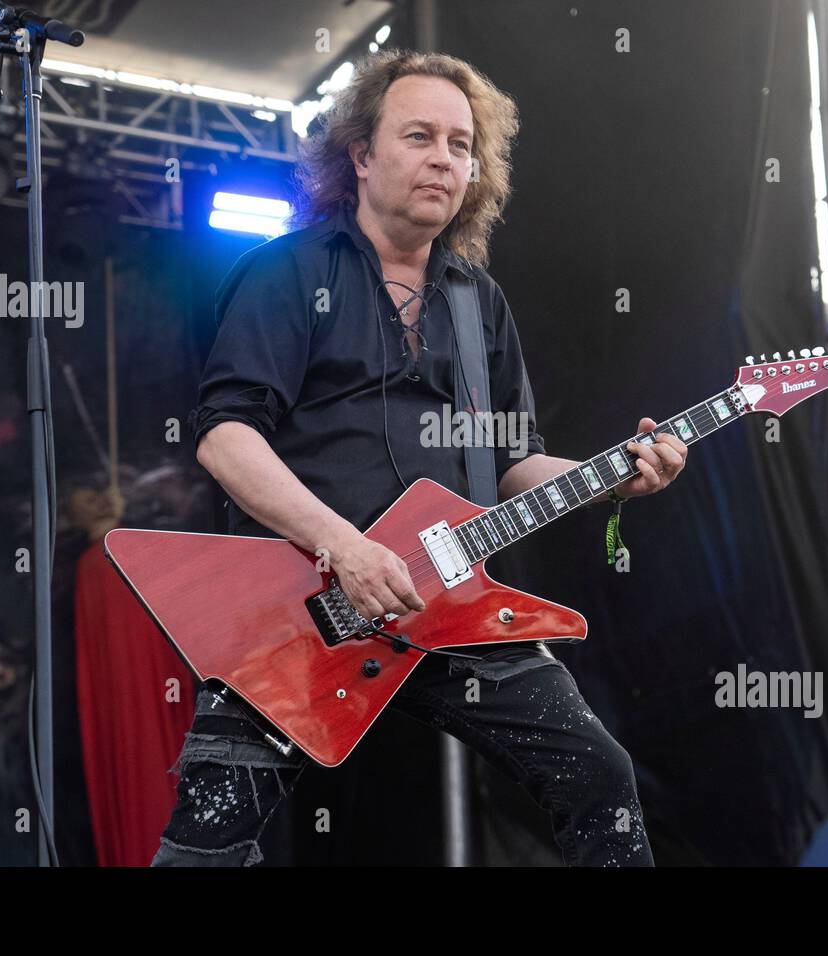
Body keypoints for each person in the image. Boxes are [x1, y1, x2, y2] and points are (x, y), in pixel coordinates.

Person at [151, 50, 686, 867]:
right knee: (208, 844)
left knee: (597, 773)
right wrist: (346, 546)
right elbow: (226, 438)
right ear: (361, 155)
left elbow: (515, 465)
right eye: (421, 136)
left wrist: (617, 477)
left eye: (463, 144)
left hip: (453, 597)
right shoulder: (286, 274)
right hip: (300, 608)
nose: (446, 158)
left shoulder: (479, 303)